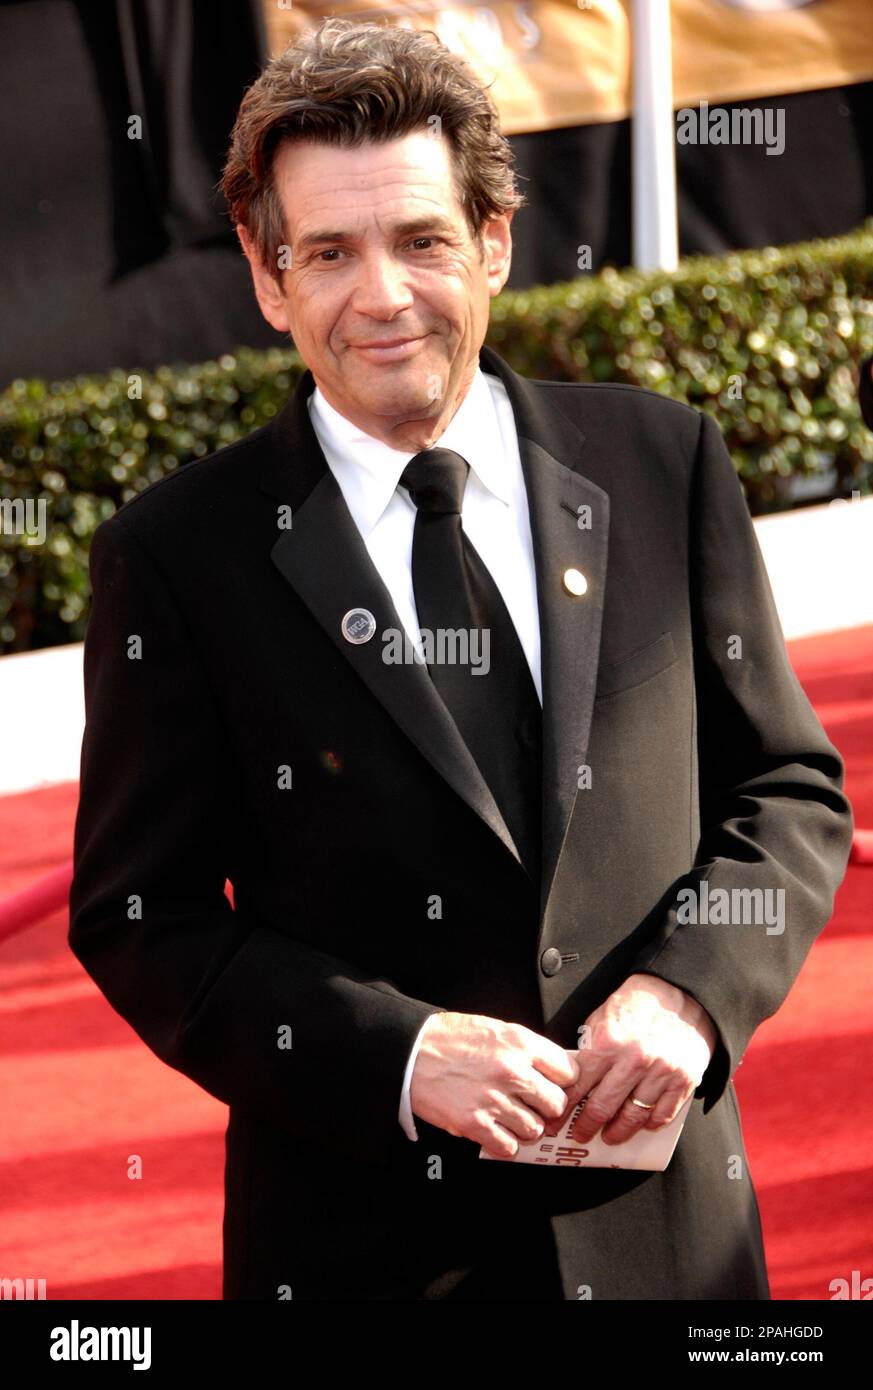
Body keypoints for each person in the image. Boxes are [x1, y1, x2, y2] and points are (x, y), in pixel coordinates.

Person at [69, 18, 853, 1301]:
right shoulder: (176, 556)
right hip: (364, 1250)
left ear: (494, 241)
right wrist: (401, 1054)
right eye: (328, 252)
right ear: (270, 283)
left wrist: (691, 993)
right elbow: (139, 914)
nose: (381, 294)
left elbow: (789, 795)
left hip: (671, 1244)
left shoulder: (661, 464)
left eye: (423, 239)